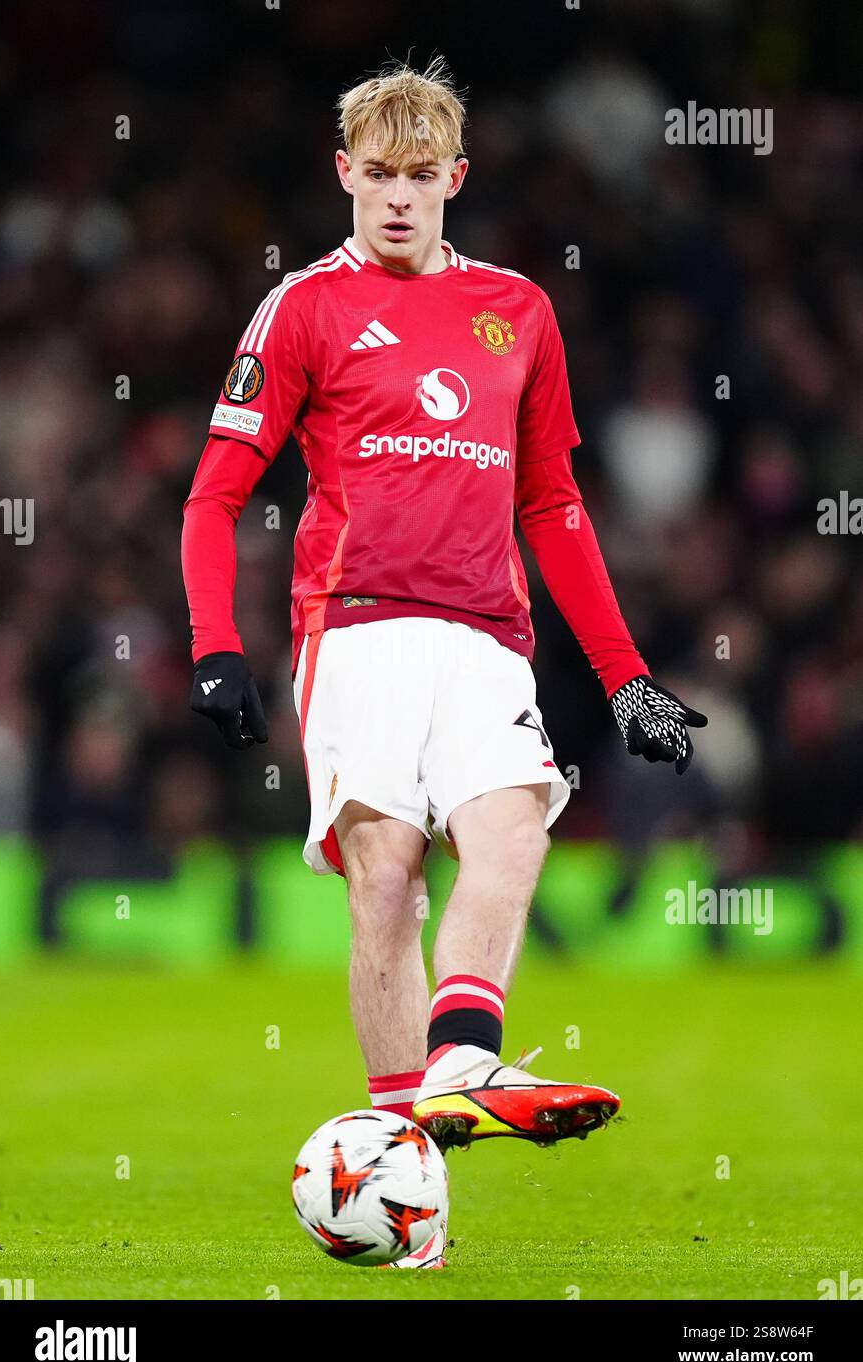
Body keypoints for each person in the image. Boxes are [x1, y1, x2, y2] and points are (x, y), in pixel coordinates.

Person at [181, 57, 707, 1268]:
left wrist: (623, 675)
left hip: (487, 636)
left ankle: (461, 1054)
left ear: (455, 179)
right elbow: (214, 499)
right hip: (354, 626)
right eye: (378, 177)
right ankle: (413, 1177)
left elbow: (555, 502)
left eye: (422, 177)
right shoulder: (303, 307)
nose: (400, 199)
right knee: (387, 875)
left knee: (514, 825)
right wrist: (216, 646)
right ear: (343, 176)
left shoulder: (517, 309)